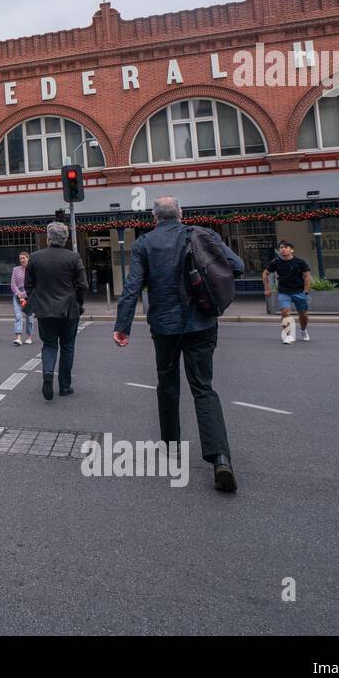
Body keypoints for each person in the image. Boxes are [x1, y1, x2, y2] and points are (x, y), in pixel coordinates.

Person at [112, 196, 244, 493]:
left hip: (165, 325)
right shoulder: (201, 234)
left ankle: (171, 445)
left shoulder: (144, 243)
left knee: (167, 384)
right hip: (202, 321)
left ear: (154, 218)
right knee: (203, 387)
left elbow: (133, 285)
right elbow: (237, 265)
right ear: (181, 214)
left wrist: (123, 326)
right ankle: (220, 458)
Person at [25, 223, 87, 400]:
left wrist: (37, 300)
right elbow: (83, 285)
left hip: (45, 310)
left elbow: (28, 285)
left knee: (50, 345)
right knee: (67, 346)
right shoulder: (73, 257)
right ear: (65, 239)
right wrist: (78, 302)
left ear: (48, 237)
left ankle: (47, 374)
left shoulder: (35, 258)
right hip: (69, 310)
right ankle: (65, 386)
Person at [264, 240, 313, 344]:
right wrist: (267, 288)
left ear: (292, 250)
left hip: (299, 291)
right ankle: (288, 335)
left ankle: (303, 330)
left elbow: (307, 276)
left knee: (303, 314)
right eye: (281, 248)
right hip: (284, 292)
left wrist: (306, 290)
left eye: (286, 247)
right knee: (285, 313)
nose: (283, 249)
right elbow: (265, 274)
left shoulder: (300, 262)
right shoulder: (276, 262)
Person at [10, 252, 35, 346]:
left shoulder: (32, 270)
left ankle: (29, 336)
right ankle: (18, 337)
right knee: (18, 316)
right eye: (20, 258)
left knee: (30, 317)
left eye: (24, 258)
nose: (22, 260)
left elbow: (34, 284)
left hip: (29, 294)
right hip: (17, 295)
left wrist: (24, 294)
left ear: (28, 258)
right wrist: (18, 294)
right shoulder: (15, 269)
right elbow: (13, 284)